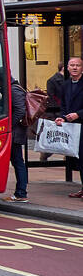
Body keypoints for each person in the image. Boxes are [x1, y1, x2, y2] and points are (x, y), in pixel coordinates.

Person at [54, 56, 83, 198]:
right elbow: (64, 105)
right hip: (72, 128)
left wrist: (78, 114)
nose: (75, 67)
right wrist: (63, 117)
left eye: (77, 65)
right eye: (72, 65)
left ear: (82, 68)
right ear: (67, 68)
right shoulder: (65, 85)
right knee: (78, 159)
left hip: (81, 124)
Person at [7, 77, 29, 203]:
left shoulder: (14, 89)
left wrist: (9, 125)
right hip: (15, 132)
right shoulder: (14, 88)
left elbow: (20, 110)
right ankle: (20, 192)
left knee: (18, 162)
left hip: (15, 133)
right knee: (17, 162)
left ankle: (21, 193)